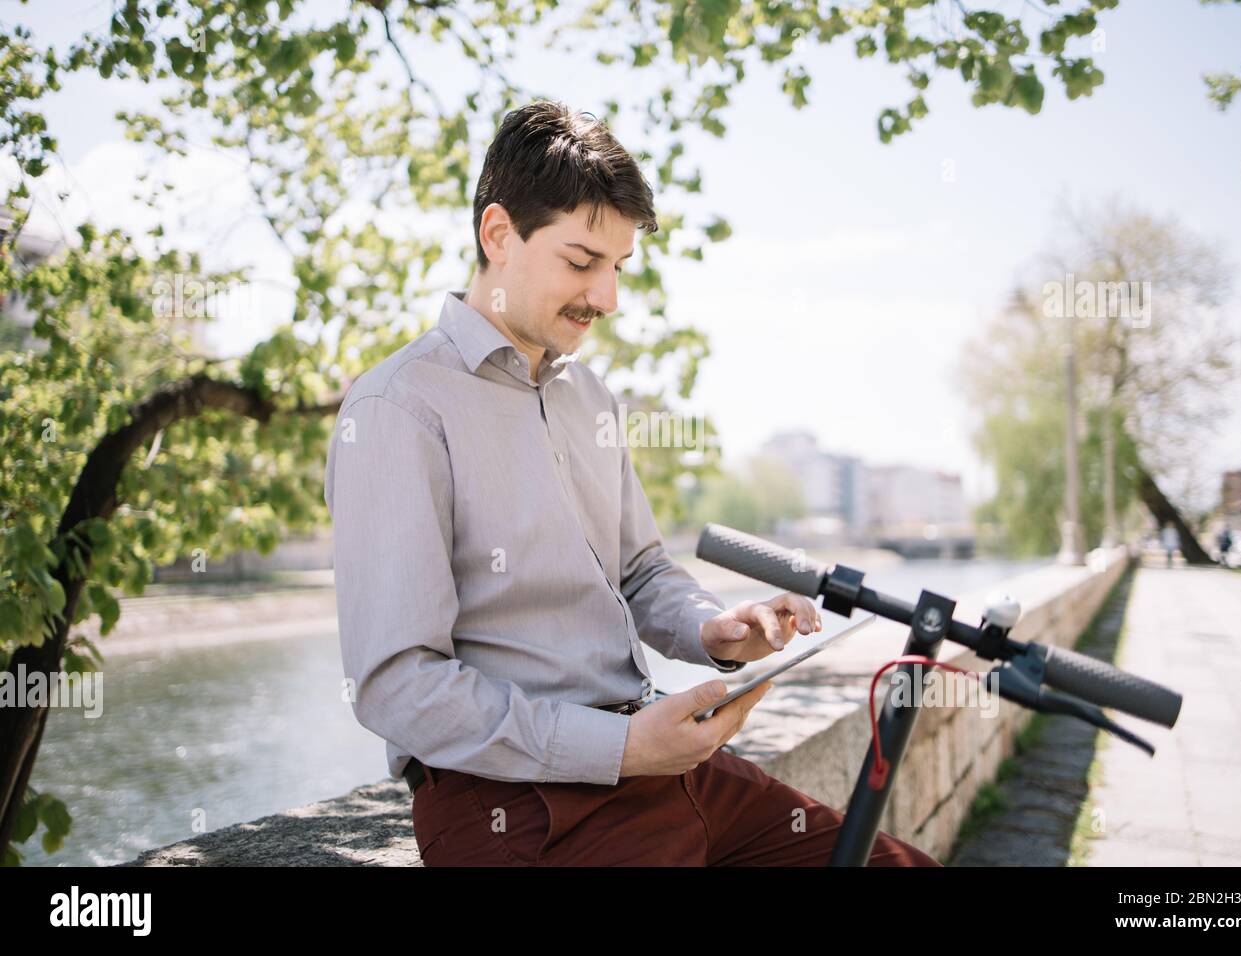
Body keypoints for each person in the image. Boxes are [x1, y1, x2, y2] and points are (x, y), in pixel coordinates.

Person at [323, 100, 939, 867]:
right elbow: (397, 688)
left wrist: (712, 629)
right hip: (513, 803)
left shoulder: (590, 398)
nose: (606, 298)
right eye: (582, 262)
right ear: (498, 235)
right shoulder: (398, 408)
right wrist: (617, 747)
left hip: (660, 765)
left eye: (617, 268)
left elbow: (640, 570)